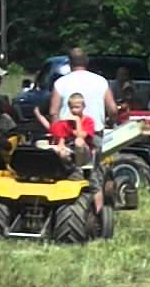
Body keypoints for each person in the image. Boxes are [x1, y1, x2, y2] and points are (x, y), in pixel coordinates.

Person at [49, 48, 118, 214]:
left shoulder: (61, 83)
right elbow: (113, 109)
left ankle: (64, 208)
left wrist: (57, 135)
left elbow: (53, 112)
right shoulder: (100, 81)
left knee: (67, 172)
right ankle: (97, 212)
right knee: (96, 175)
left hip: (67, 136)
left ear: (69, 63)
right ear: (86, 62)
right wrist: (111, 121)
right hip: (94, 135)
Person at [37, 93, 96, 169]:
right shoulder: (66, 122)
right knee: (61, 151)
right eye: (72, 108)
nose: (74, 110)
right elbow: (60, 137)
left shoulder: (88, 121)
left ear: (83, 106)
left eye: (77, 107)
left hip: (84, 153)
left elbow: (81, 137)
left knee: (78, 141)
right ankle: (70, 168)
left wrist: (78, 121)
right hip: (70, 150)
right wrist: (61, 147)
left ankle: (79, 167)